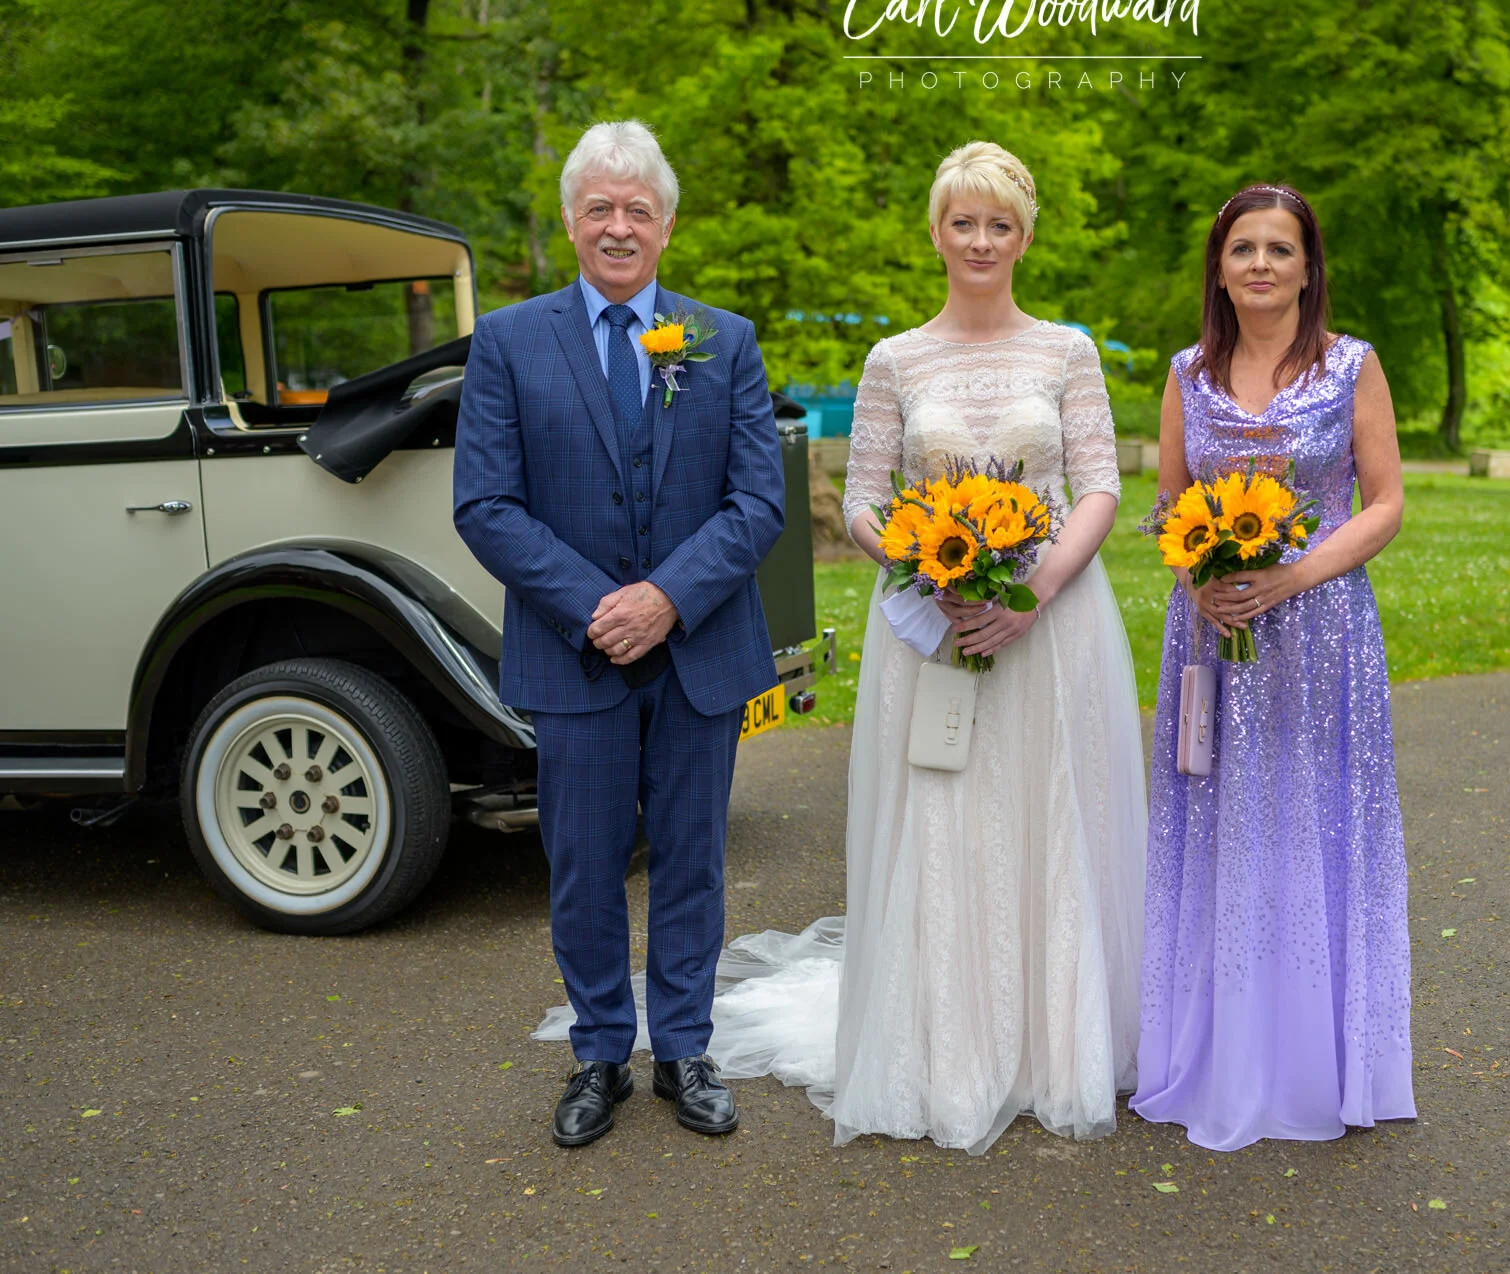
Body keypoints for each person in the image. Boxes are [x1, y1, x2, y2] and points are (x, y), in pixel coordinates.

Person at [705, 142, 1148, 1154]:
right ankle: (943, 1045)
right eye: (962, 222)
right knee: (945, 816)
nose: (980, 241)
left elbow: (1098, 488)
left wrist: (1033, 589)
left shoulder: (1066, 352)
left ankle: (1052, 1045)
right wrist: (918, 561)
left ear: (1024, 236)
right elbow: (858, 500)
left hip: (1052, 627)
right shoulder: (894, 359)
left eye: (999, 223)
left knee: (1046, 812)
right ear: (936, 234)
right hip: (931, 628)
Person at [454, 120, 785, 1147]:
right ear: (568, 221)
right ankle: (600, 1050)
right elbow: (486, 504)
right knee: (585, 865)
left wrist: (667, 599)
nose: (617, 225)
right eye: (599, 206)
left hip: (698, 653)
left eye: (637, 209)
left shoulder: (720, 339)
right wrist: (600, 605)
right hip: (572, 652)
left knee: (690, 860)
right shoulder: (509, 343)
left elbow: (755, 501)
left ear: (667, 226)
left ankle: (684, 1047)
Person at [1132, 184, 1414, 1150]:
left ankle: (1316, 1062)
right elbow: (1169, 506)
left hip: (1323, 632)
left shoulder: (1351, 368)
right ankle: (1217, 1053)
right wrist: (1198, 575)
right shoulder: (1186, 375)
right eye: (1242, 248)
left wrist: (1290, 577)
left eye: (1279, 249)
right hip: (1213, 637)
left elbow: (1383, 504)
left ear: (1308, 266)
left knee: (1314, 814)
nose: (1259, 263)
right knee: (1216, 818)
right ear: (1219, 266)